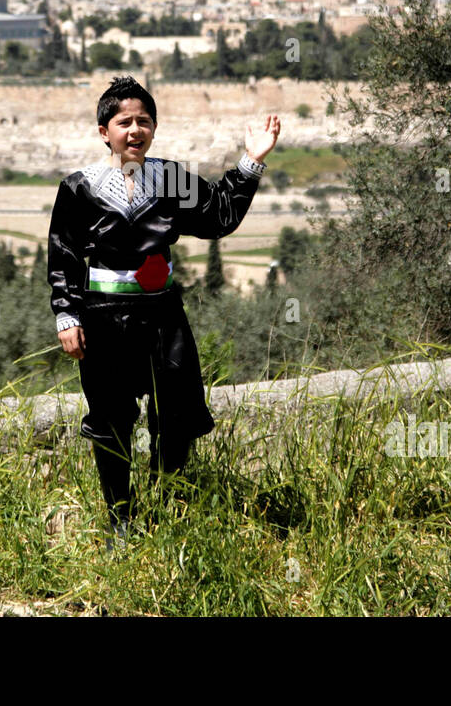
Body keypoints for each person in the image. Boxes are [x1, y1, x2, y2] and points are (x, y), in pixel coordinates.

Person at [47, 75, 280, 549]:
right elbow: (63, 256)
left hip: (163, 317)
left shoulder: (171, 179)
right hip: (103, 316)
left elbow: (219, 216)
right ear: (103, 130)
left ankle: (166, 503)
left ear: (155, 128)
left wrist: (251, 160)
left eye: (144, 121)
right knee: (111, 419)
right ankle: (120, 521)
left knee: (176, 412)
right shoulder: (79, 188)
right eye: (124, 121)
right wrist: (67, 317)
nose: (135, 130)